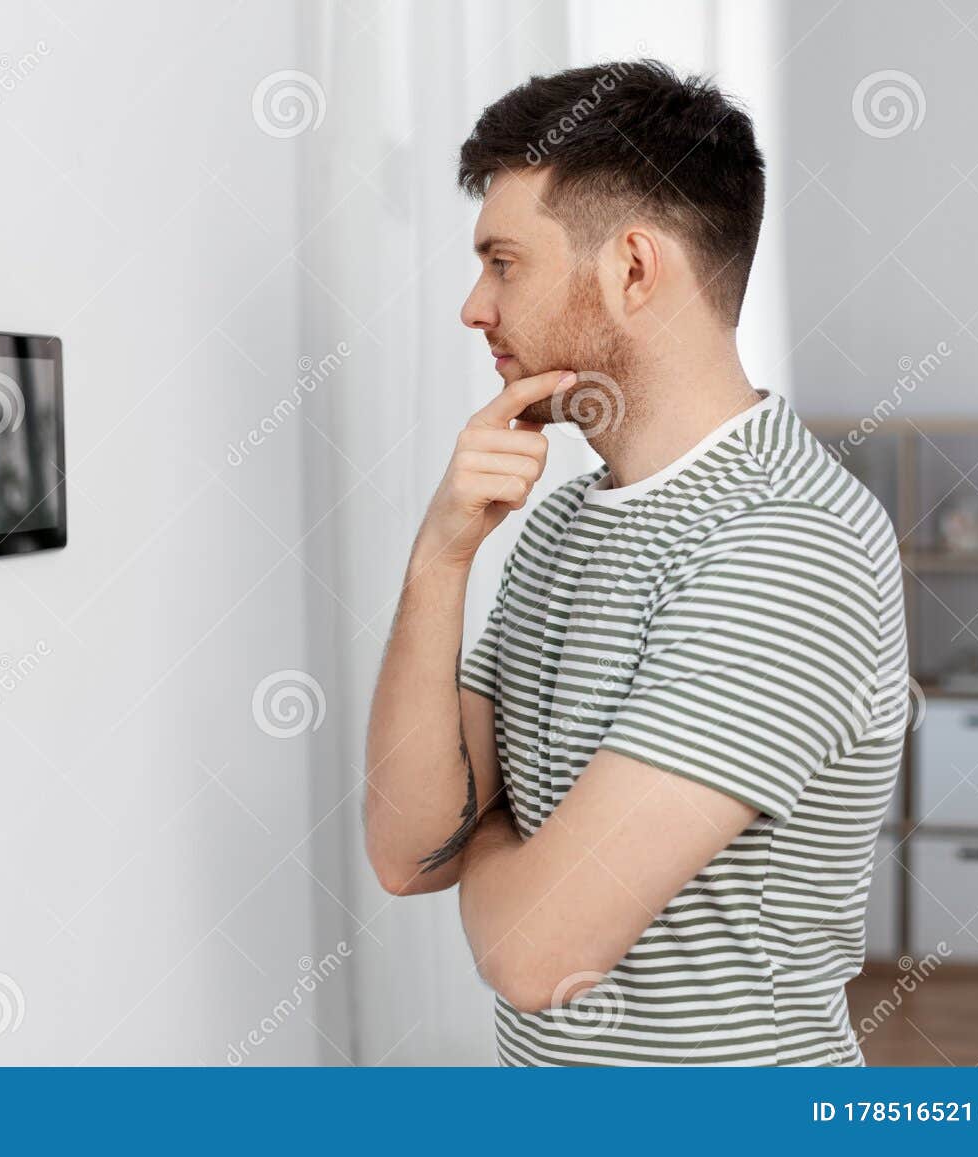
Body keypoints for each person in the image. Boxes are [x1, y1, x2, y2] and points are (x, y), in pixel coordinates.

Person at [364, 60, 907, 1066]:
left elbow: (535, 953)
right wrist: (439, 561)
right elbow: (404, 850)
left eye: (504, 262)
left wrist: (485, 827)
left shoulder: (789, 545)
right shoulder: (562, 522)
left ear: (631, 269)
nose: (473, 307)